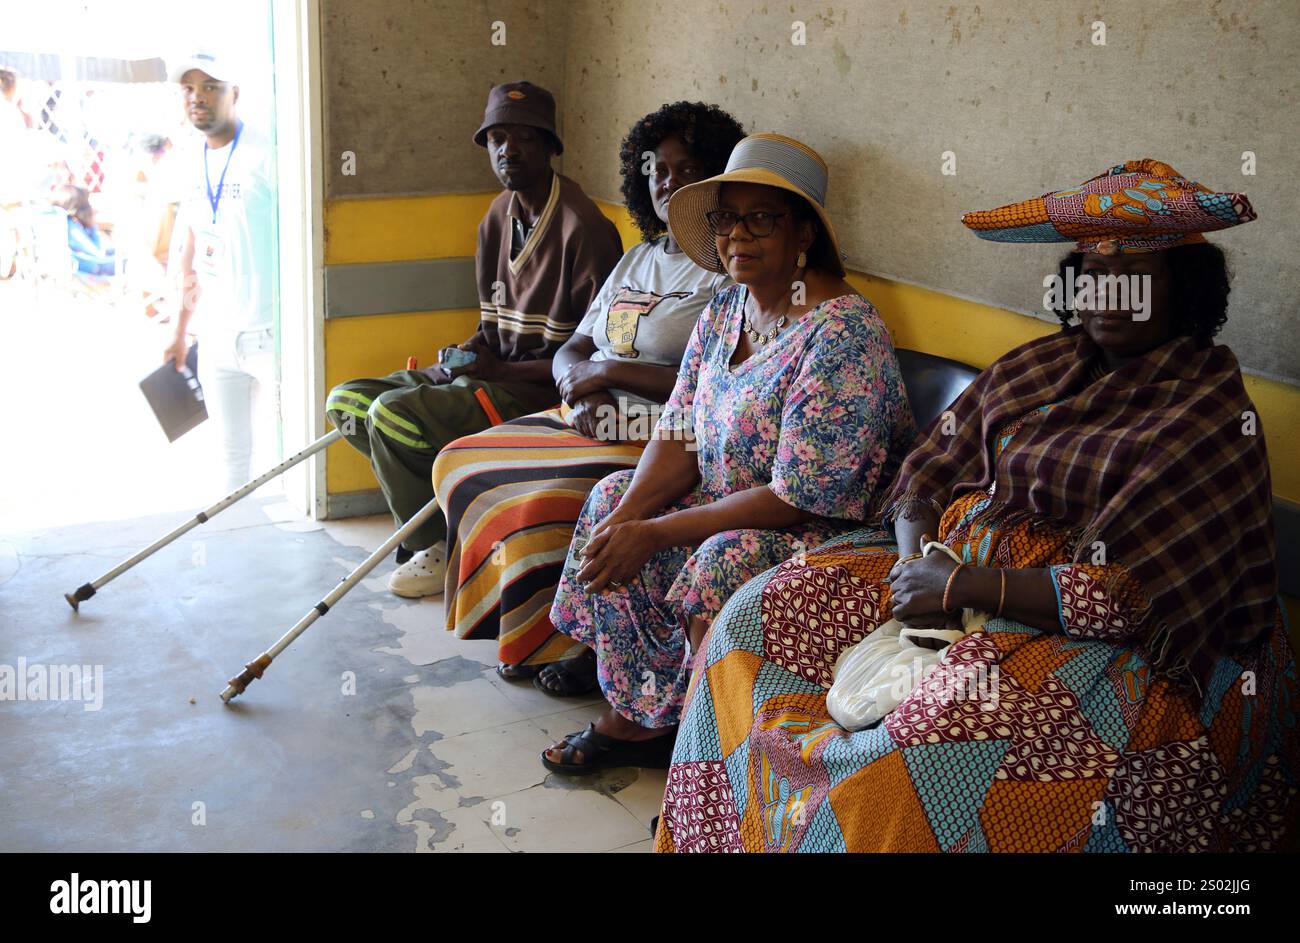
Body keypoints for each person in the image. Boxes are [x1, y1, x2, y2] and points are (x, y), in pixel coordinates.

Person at [655, 159, 1300, 853]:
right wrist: (915, 573)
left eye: (1137, 274)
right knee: (749, 622)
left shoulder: (1208, 413)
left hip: (1085, 628)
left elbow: (1131, 596)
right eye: (1091, 267)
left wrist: (963, 586)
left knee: (922, 747)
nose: (1107, 290)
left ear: (1186, 293)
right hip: (943, 572)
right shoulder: (1040, 365)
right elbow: (927, 472)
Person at [541, 133, 916, 774]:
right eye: (725, 217)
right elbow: (680, 430)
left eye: (760, 218)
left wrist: (658, 532)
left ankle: (702, 747)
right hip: (727, 500)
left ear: (803, 234)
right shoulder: (725, 309)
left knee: (721, 558)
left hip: (822, 531)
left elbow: (801, 495)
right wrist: (631, 516)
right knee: (609, 500)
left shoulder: (844, 332)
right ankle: (646, 710)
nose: (737, 235)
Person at [431, 102, 745, 693]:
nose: (667, 181)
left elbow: (709, 379)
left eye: (685, 168)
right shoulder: (639, 257)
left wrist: (603, 373)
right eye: (656, 169)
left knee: (523, 499)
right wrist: (577, 380)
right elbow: (574, 344)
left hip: (661, 430)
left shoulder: (726, 272)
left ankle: (555, 641)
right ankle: (516, 621)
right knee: (459, 458)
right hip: (590, 412)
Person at [326, 81, 623, 598]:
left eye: (524, 138)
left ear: (552, 146)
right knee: (349, 402)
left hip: (538, 394)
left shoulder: (585, 229)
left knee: (392, 416)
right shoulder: (496, 218)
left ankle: (434, 546)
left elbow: (593, 360)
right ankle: (448, 524)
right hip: (493, 374)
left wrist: (499, 371)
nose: (507, 149)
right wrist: (466, 355)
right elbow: (492, 325)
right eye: (496, 138)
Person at [162, 51, 277, 493]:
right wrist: (179, 330)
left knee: (286, 457)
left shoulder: (266, 154)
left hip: (270, 334)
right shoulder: (189, 158)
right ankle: (240, 542)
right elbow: (191, 244)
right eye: (189, 89)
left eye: (210, 86)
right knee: (231, 458)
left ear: (234, 94)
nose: (198, 97)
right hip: (216, 336)